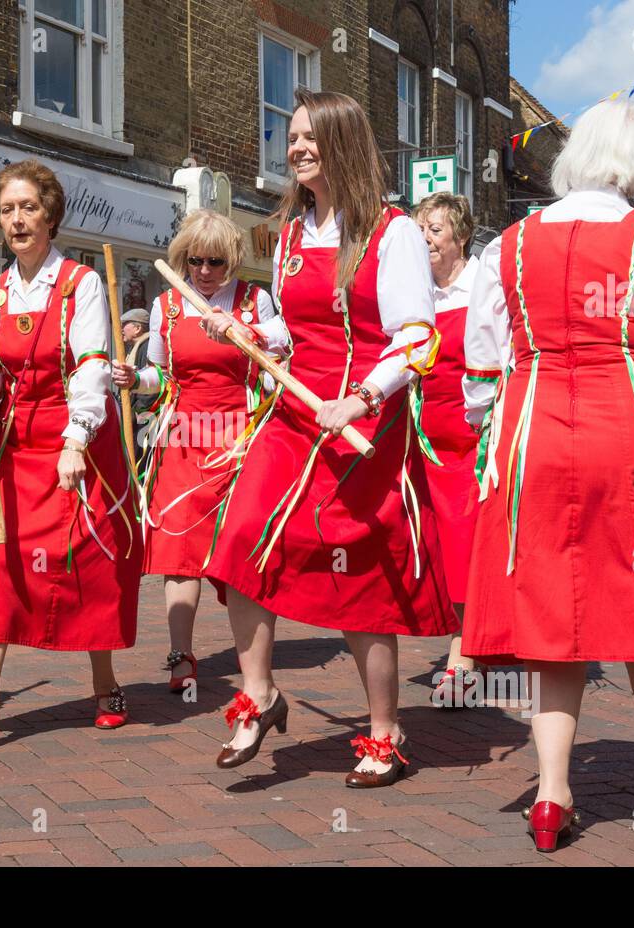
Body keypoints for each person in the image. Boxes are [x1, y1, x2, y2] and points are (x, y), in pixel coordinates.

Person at [462, 101, 634, 852]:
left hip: (534, 431)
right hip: (628, 430)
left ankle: (551, 794)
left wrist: (492, 423)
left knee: (553, 607)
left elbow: (482, 370)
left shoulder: (508, 246)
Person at [201, 90, 456, 787]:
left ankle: (384, 731)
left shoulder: (391, 231)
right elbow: (290, 332)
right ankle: (259, 693)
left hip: (366, 418)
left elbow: (416, 339)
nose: (296, 148)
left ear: (344, 141)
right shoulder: (286, 234)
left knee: (358, 571)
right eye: (291, 137)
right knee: (240, 537)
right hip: (294, 413)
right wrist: (250, 335)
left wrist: (364, 395)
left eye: (310, 136)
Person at [0, 159, 142, 740]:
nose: (17, 219)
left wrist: (76, 440)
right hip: (18, 444)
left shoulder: (80, 282)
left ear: (50, 216)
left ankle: (106, 684)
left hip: (80, 442)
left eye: (28, 207)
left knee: (89, 565)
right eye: (7, 209)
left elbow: (92, 366)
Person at [112, 209, 282, 694]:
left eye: (215, 262)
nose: (204, 271)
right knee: (177, 548)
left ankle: (254, 660)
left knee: (242, 548)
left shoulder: (255, 301)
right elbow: (161, 378)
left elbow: (283, 347)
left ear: (232, 262)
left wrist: (247, 333)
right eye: (195, 261)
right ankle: (180, 653)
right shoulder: (167, 306)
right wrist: (135, 379)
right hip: (183, 438)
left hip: (241, 439)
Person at [412, 192, 483, 706]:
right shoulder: (414, 294)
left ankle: (465, 654)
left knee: (464, 544)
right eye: (420, 229)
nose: (426, 238)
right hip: (419, 440)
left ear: (460, 235)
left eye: (435, 229)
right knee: (431, 545)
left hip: (470, 440)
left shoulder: (484, 286)